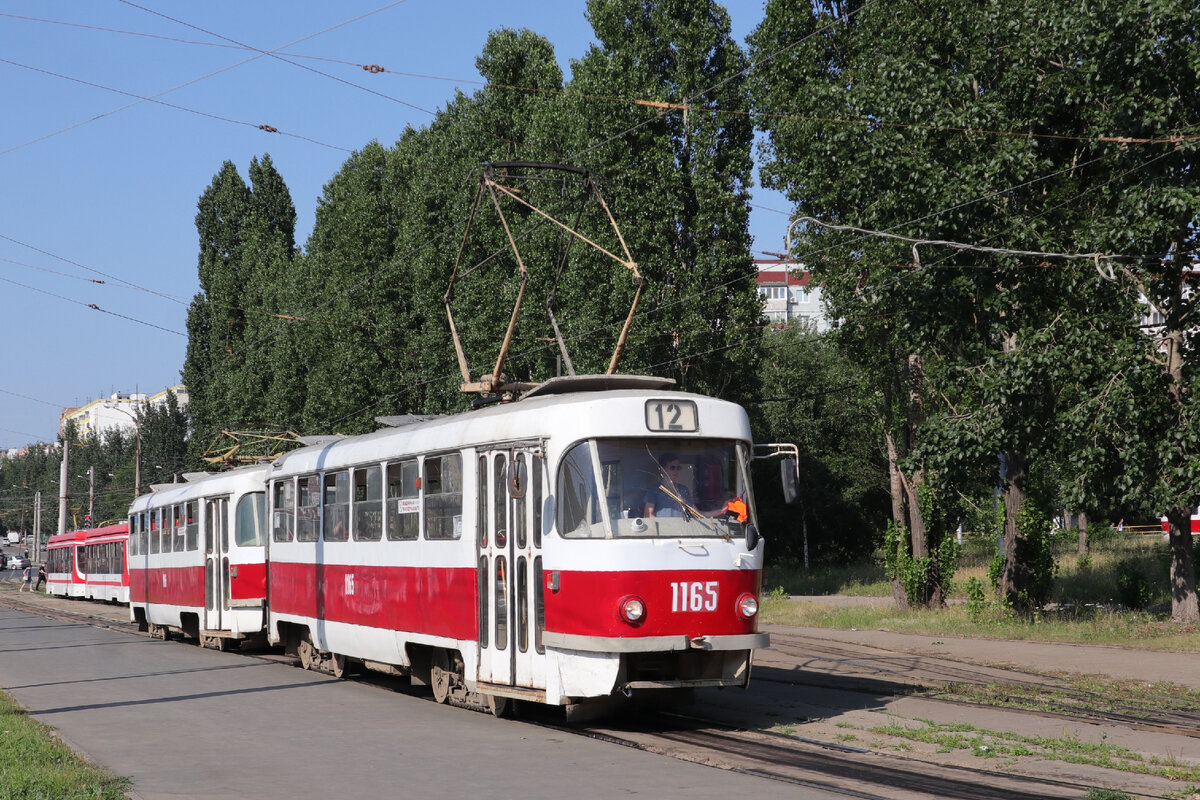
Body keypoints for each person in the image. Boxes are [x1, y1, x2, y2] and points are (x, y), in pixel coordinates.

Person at [643, 453, 694, 518]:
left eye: (678, 468)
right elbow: (648, 515)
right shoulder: (654, 490)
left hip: (681, 527)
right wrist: (664, 526)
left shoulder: (683, 489)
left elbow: (695, 513)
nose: (676, 471)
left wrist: (709, 514)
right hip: (663, 528)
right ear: (662, 469)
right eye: (672, 468)